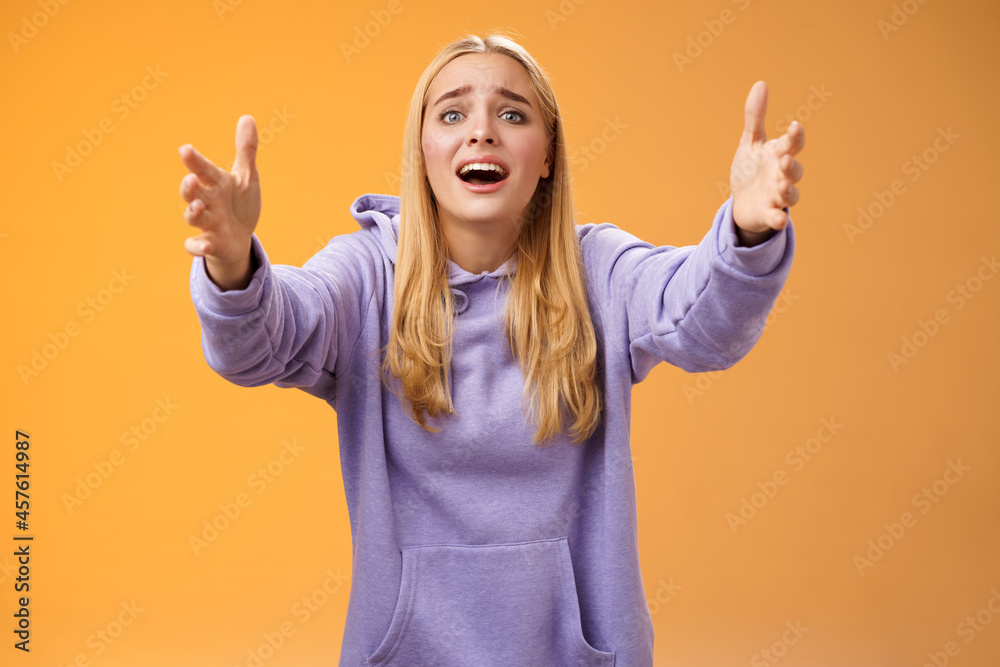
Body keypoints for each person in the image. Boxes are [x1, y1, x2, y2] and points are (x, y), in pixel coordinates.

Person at [178, 32, 802, 667]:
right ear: (422, 153)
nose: (482, 132)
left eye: (512, 113)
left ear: (548, 155)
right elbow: (263, 343)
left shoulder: (599, 270)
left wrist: (745, 235)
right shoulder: (367, 274)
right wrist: (233, 268)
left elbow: (702, 323)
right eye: (452, 113)